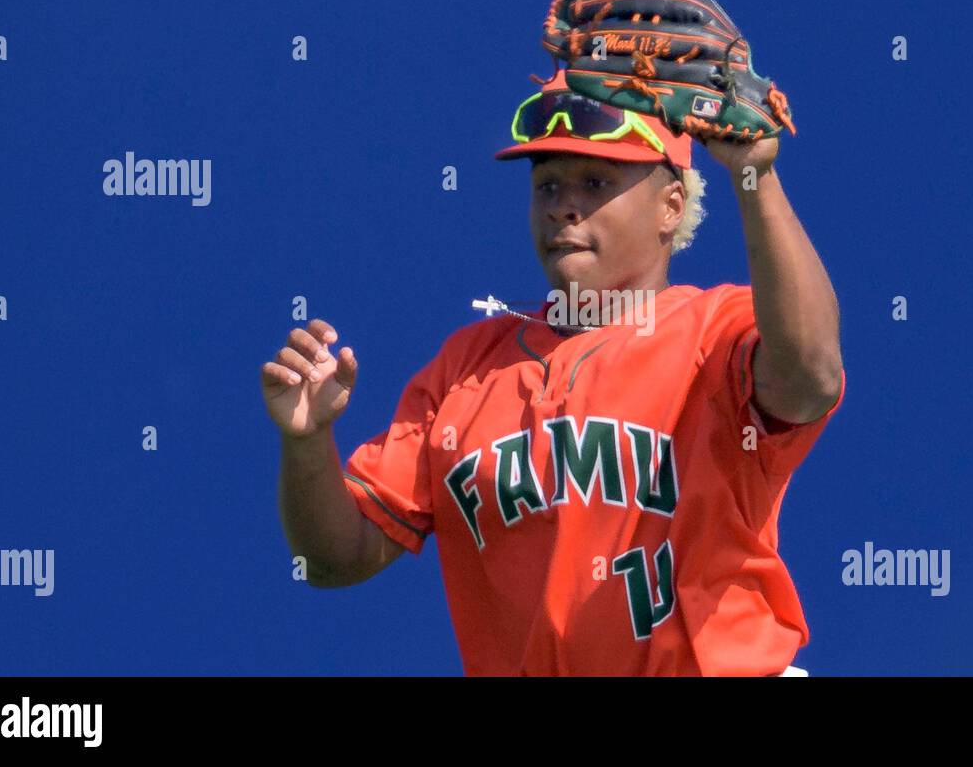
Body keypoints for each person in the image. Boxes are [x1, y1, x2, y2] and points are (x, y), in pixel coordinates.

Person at [261, 70, 846, 676]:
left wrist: (755, 177)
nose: (564, 206)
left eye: (595, 182)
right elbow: (336, 558)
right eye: (547, 185)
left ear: (671, 206)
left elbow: (811, 376)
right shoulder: (465, 369)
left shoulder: (717, 330)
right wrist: (307, 442)